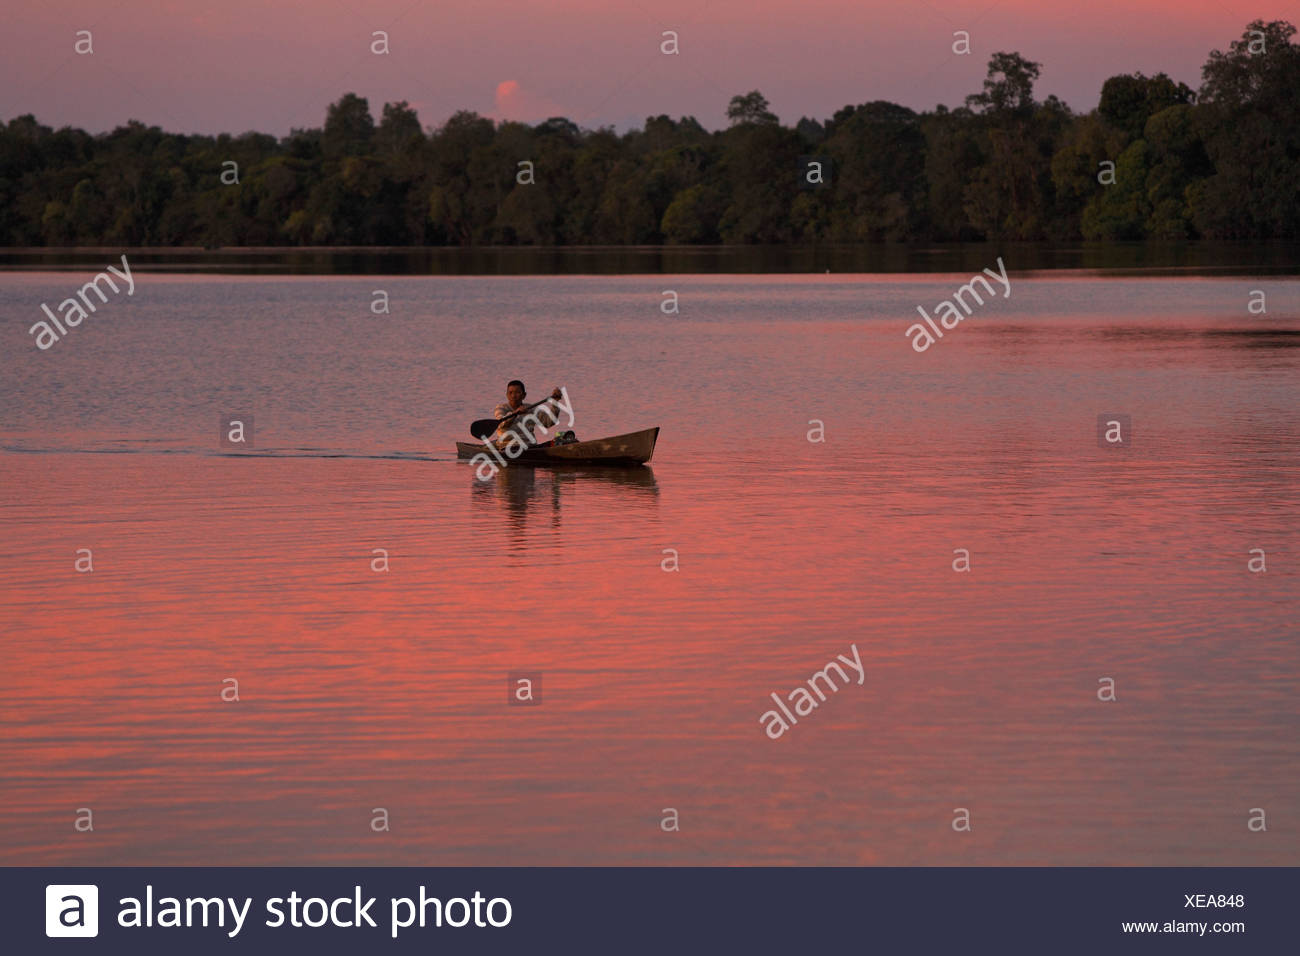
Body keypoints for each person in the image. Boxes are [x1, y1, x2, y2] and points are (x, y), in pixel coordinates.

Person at [492, 380, 568, 448]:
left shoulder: (530, 408)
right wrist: (515, 413)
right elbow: (501, 423)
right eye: (510, 393)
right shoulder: (501, 408)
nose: (513, 396)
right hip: (508, 447)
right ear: (507, 395)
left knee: (561, 440)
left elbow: (549, 422)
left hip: (530, 446)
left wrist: (555, 402)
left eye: (517, 392)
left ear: (524, 395)